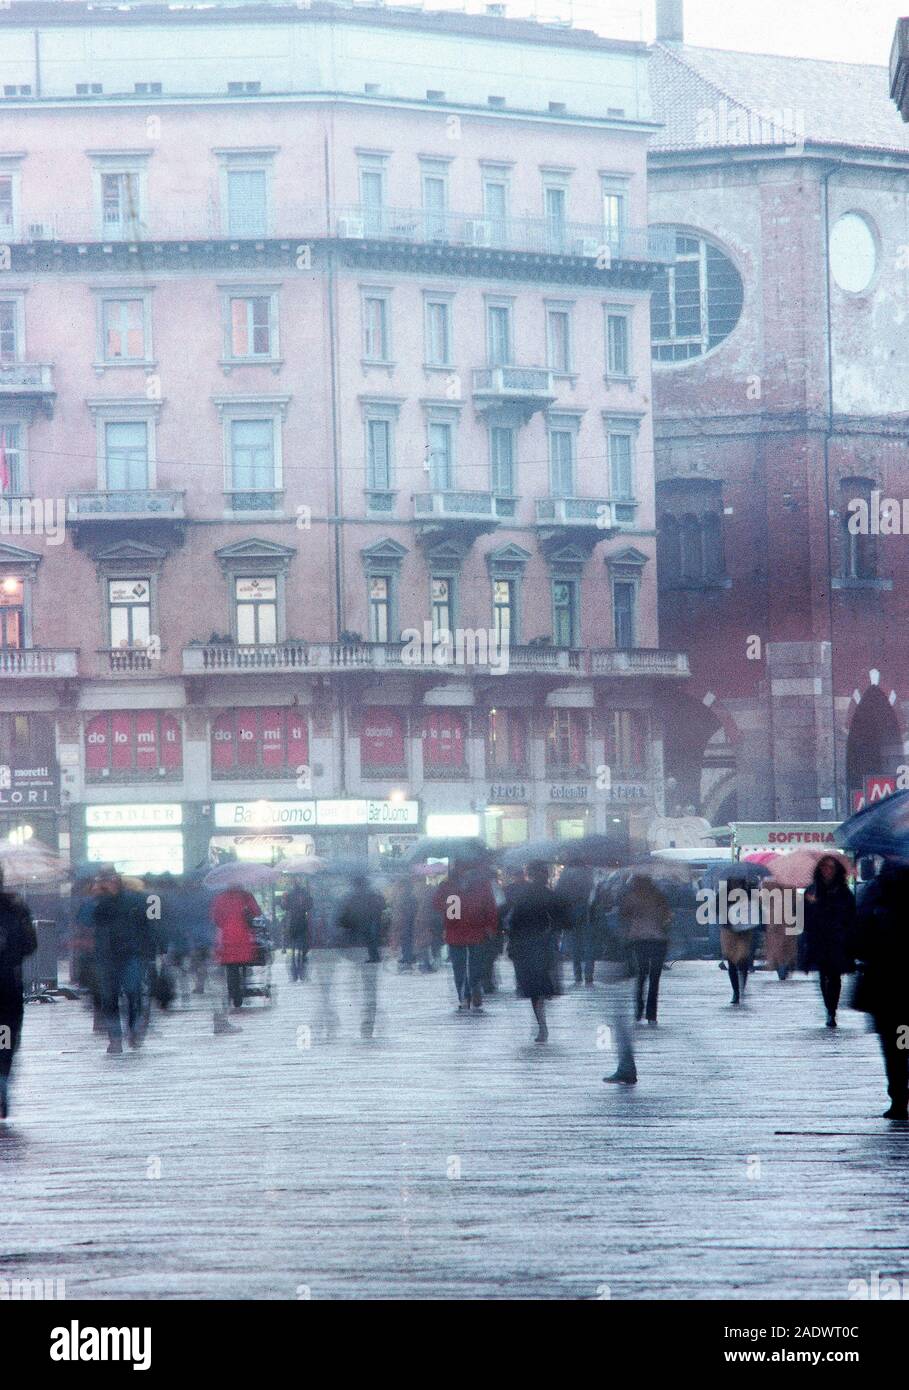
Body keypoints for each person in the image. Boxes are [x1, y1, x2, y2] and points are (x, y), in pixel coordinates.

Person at [853, 861, 909, 1122]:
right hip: (894, 985)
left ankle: (899, 1097)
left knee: (894, 1045)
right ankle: (900, 1094)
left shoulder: (874, 893)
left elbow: (859, 939)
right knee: (901, 1041)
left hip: (885, 985)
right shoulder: (876, 893)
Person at [504, 861, 567, 1042]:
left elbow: (514, 922)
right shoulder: (550, 896)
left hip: (528, 947)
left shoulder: (524, 895)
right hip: (543, 945)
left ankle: (541, 1024)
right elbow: (563, 920)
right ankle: (542, 1022)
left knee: (534, 988)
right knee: (541, 984)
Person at [91, 866, 152, 1054]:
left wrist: (147, 949)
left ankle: (133, 1031)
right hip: (107, 957)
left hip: (130, 954)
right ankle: (115, 1038)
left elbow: (145, 925)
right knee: (109, 999)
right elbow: (91, 922)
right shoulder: (99, 903)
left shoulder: (134, 900)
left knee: (133, 993)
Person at [432, 858, 499, 1012]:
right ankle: (474, 987)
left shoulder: (448, 885)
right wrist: (491, 926)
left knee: (459, 966)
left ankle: (464, 996)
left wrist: (448, 908)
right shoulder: (482, 885)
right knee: (475, 964)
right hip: (476, 930)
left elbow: (436, 904)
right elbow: (490, 907)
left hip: (455, 931)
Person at [591, 878, 636, 1085]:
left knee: (618, 1020)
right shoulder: (623, 909)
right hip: (622, 965)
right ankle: (626, 1065)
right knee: (618, 1020)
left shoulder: (608, 915)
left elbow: (607, 937)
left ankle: (626, 1066)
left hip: (613, 966)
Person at [801, 855, 856, 1028]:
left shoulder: (843, 891)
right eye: (824, 867)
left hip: (837, 939)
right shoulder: (812, 890)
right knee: (824, 973)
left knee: (834, 975)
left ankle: (832, 1010)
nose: (827, 870)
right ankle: (829, 1007)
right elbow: (805, 916)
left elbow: (850, 915)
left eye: (831, 867)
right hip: (819, 939)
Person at [0, 869, 37, 1118]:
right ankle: (1, 1084)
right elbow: (30, 945)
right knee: (5, 1036)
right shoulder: (15, 908)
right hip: (7, 985)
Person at [336, 875, 388, 1037]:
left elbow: (342, 921)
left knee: (359, 980)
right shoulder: (376, 898)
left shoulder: (349, 899)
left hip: (356, 946)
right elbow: (385, 917)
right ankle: (369, 1015)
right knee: (370, 985)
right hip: (372, 947)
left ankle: (364, 1010)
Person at [620, 875, 672, 1025]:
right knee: (655, 978)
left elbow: (624, 915)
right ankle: (652, 1014)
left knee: (641, 975)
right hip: (658, 940)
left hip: (639, 940)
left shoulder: (631, 897)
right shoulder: (660, 897)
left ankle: (638, 1010)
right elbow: (667, 917)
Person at [211, 884, 260, 1030]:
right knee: (243, 965)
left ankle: (235, 996)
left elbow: (216, 918)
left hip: (227, 938)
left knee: (231, 969)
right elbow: (256, 912)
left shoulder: (220, 897)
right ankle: (241, 994)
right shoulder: (245, 895)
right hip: (243, 937)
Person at [555, 861, 596, 986]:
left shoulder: (565, 874)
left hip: (570, 912)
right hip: (586, 912)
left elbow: (558, 893)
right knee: (588, 944)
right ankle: (589, 975)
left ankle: (577, 975)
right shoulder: (588, 873)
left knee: (575, 944)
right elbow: (594, 893)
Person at [719, 876, 754, 1006]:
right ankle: (736, 992)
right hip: (729, 930)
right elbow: (716, 908)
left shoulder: (749, 891)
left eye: (738, 881)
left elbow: (756, 909)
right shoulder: (724, 893)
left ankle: (741, 988)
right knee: (731, 962)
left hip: (744, 931)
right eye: (733, 881)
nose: (736, 883)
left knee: (743, 960)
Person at [283, 877, 313, 982]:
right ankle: (302, 972)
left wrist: (285, 900)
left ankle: (294, 974)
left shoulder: (289, 893)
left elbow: (284, 907)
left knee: (292, 949)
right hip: (301, 923)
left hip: (293, 924)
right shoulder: (304, 893)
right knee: (301, 948)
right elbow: (310, 905)